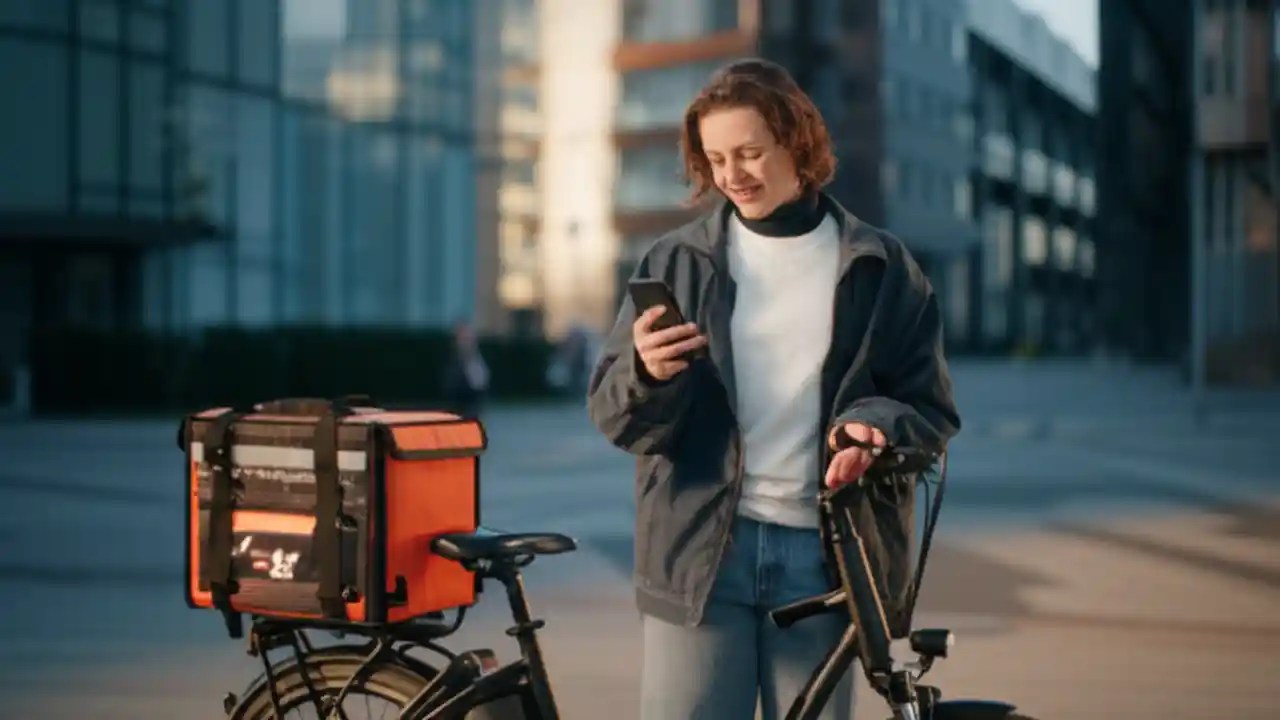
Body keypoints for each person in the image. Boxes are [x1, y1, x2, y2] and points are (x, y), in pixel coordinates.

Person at [586, 59, 960, 720]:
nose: (733, 175)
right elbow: (616, 417)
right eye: (717, 158)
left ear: (799, 143)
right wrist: (646, 373)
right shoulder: (675, 262)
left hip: (827, 560)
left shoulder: (880, 266)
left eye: (751, 152)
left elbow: (930, 410)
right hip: (701, 556)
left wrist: (872, 424)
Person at [443, 320, 490, 419]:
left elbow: (482, 384)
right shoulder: (453, 362)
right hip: (459, 414)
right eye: (464, 338)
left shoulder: (477, 359)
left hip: (474, 413)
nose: (468, 341)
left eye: (469, 337)